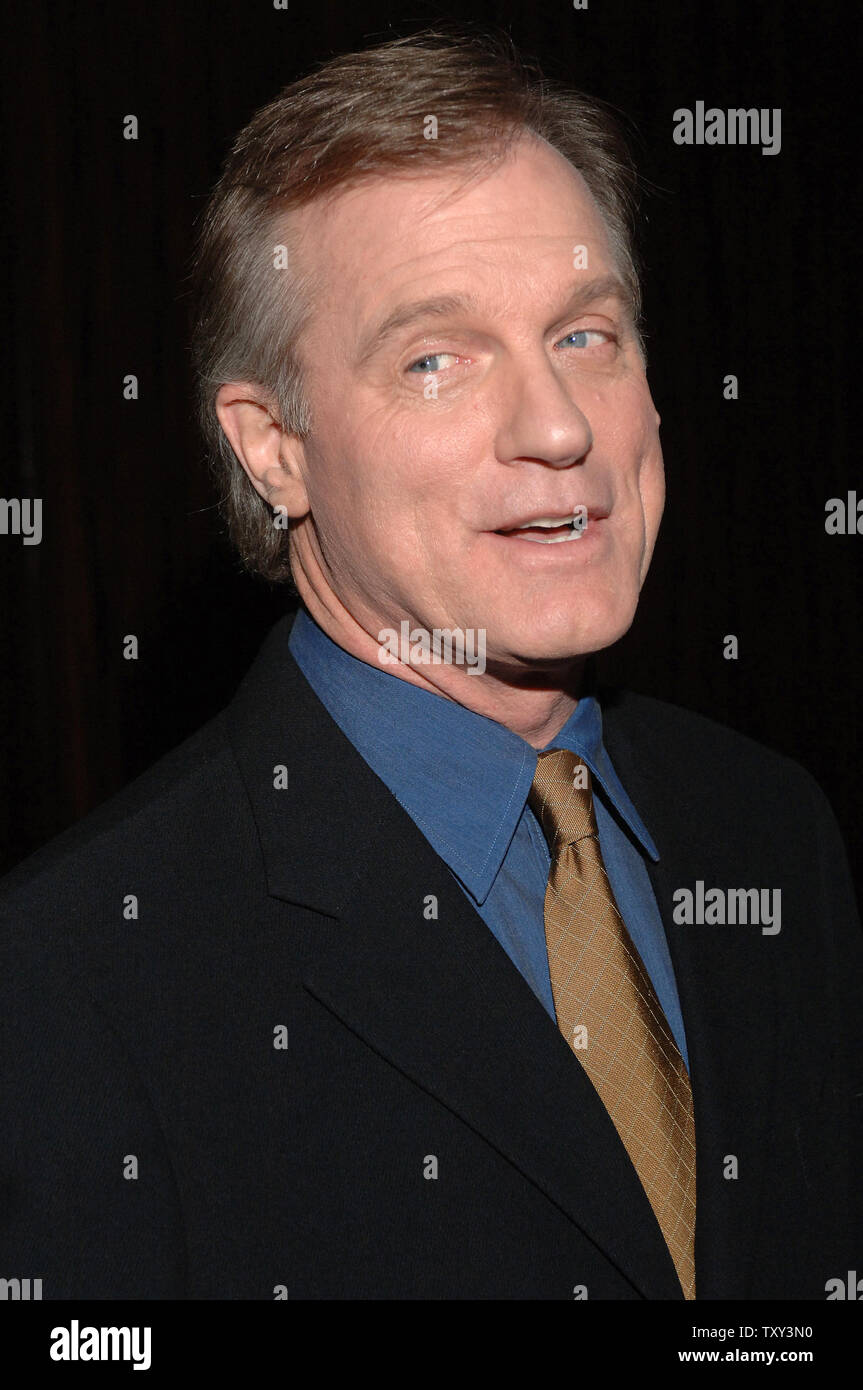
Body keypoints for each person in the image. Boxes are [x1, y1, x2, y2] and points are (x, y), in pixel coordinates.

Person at [1, 27, 860, 1301]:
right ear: (272, 448)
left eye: (584, 334)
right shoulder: (73, 977)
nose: (559, 426)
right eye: (435, 360)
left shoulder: (765, 825)